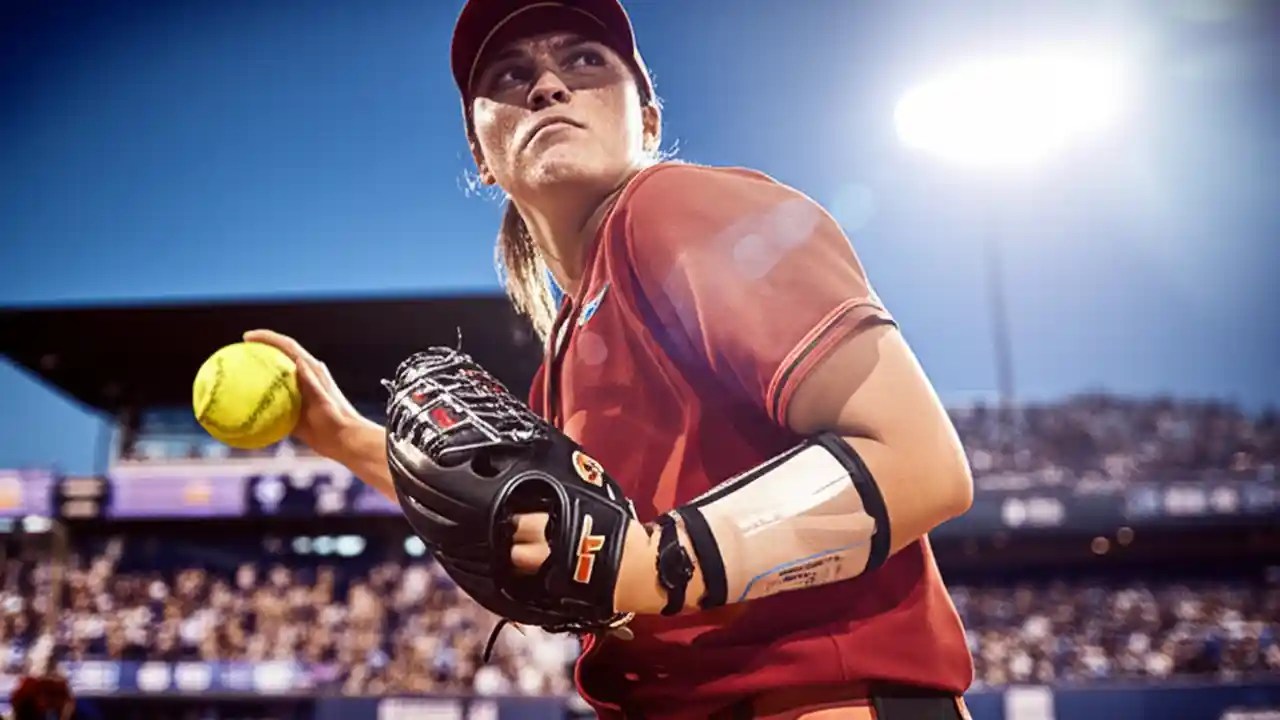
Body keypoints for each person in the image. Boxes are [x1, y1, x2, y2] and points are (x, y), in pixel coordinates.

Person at [245, 0, 976, 717]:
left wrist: (660, 561)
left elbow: (917, 462)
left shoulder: (672, 208)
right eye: (508, 75)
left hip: (822, 700)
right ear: (480, 153)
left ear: (648, 121)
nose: (547, 85)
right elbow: (499, 512)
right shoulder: (562, 359)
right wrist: (345, 436)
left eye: (585, 60)